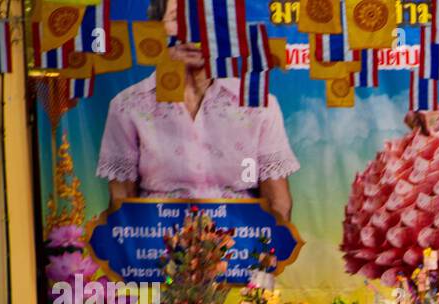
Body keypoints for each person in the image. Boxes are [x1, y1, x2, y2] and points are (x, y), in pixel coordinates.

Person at [96, 0, 298, 219]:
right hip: (155, 244)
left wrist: (260, 250)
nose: (193, 32)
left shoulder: (259, 105)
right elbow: (122, 202)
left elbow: (278, 203)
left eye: (204, 20)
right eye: (177, 18)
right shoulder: (128, 106)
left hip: (240, 246)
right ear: (156, 30)